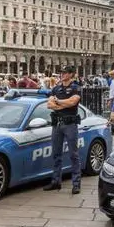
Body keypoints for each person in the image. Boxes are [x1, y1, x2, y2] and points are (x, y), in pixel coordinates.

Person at [43, 65, 82, 194]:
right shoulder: (56, 88)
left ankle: (76, 184)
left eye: (65, 73)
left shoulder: (75, 88)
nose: (62, 74)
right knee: (56, 154)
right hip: (57, 124)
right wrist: (62, 104)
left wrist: (58, 102)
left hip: (70, 124)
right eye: (62, 72)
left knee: (73, 155)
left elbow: (73, 102)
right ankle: (56, 181)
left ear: (71, 74)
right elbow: (49, 104)